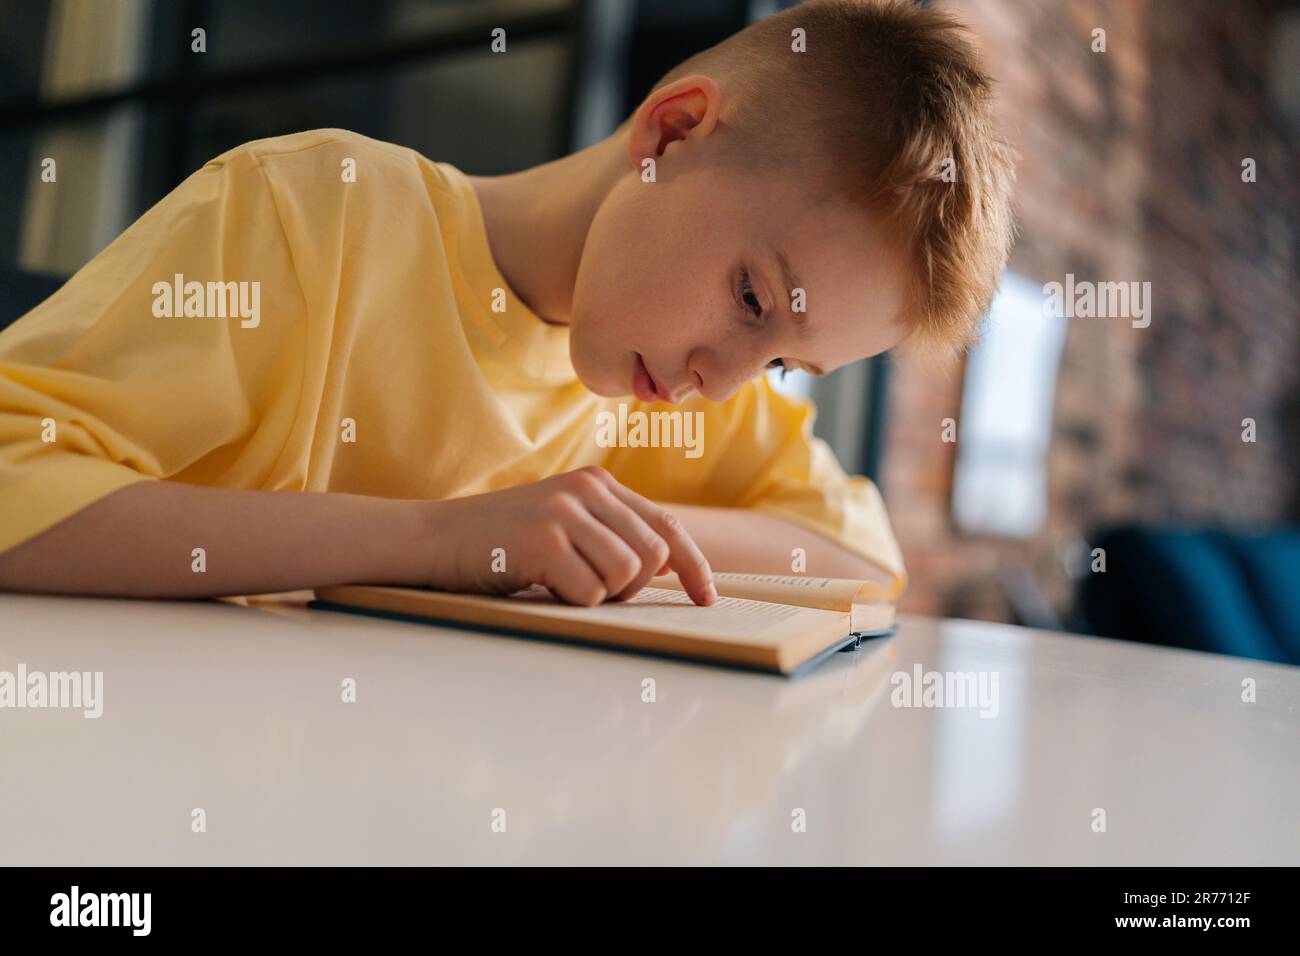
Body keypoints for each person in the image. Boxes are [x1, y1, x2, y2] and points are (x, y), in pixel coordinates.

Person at [0, 0, 1014, 607]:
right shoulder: (313, 218)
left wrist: (616, 529)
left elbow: (860, 557)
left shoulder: (663, 374)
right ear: (669, 136)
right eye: (753, 299)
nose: (727, 383)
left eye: (789, 363)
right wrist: (442, 540)